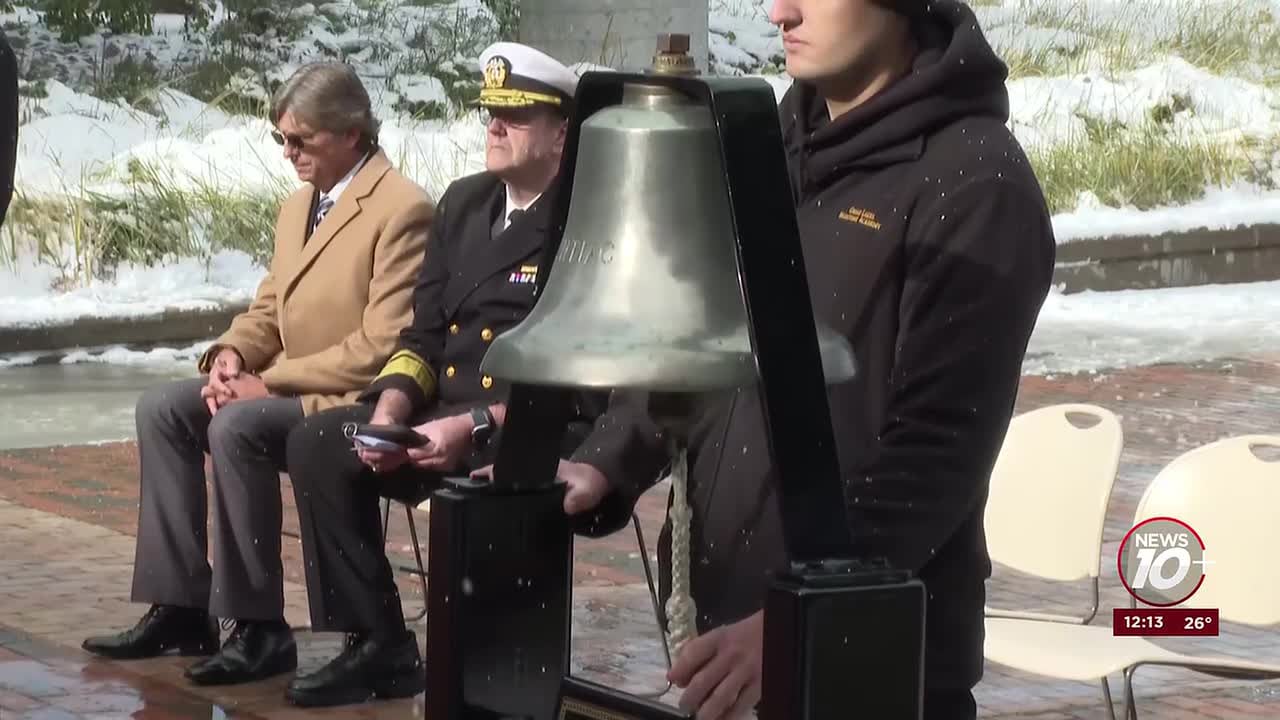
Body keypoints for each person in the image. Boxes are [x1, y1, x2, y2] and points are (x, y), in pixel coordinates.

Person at [547, 0, 1058, 718]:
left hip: (873, 664)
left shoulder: (976, 182)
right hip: (728, 641)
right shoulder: (764, 149)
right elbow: (694, 341)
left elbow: (939, 451)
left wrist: (802, 618)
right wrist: (607, 457)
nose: (778, 11)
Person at [80, 62, 435, 689]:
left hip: (347, 398)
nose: (289, 153)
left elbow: (381, 345)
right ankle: (183, 607)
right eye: (281, 140)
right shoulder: (299, 205)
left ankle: (258, 627)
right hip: (284, 383)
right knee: (163, 408)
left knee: (238, 425)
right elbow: (271, 306)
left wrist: (269, 383)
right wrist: (233, 355)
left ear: (352, 133)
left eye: (303, 140)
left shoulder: (400, 208)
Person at [281, 42, 586, 708]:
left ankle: (482, 683)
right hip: (439, 418)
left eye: (517, 117)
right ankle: (378, 641)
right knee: (318, 443)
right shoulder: (465, 201)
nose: (495, 129)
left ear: (562, 133)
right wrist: (390, 413)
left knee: (472, 495)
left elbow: (582, 374)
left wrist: (475, 425)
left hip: (525, 426)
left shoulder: (582, 221)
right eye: (491, 115)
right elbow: (421, 335)